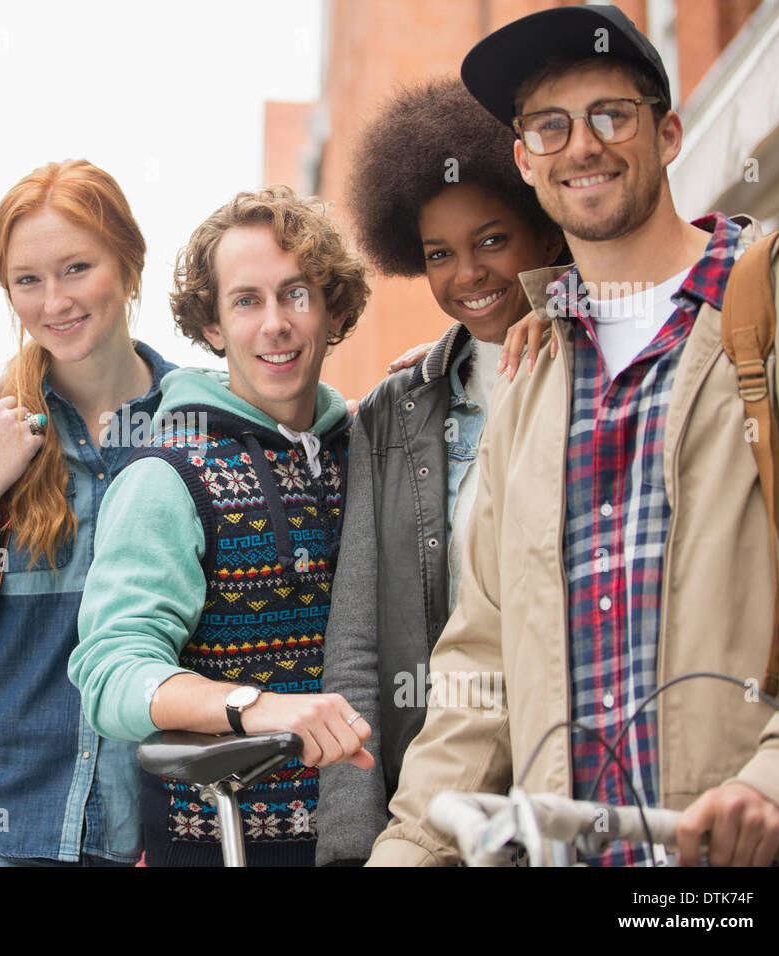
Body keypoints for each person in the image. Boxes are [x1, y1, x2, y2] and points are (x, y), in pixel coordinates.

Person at [370, 4, 779, 867]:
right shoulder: (532, 376)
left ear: (668, 132)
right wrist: (411, 846)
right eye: (551, 126)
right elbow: (479, 666)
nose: (583, 146)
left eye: (612, 114)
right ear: (525, 160)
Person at [0, 159, 177, 866]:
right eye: (28, 280)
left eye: (77, 268)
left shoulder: (194, 423)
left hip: (146, 839)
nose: (54, 302)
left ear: (129, 264)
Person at [69, 186, 374, 867]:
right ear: (212, 326)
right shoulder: (164, 475)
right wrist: (251, 705)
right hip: (219, 846)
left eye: (297, 294)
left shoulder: (371, 447)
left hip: (377, 841)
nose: (275, 324)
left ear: (334, 311)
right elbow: (111, 675)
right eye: (246, 300)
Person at [315, 77, 564, 867]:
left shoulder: (605, 363)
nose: (468, 273)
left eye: (492, 239)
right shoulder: (395, 413)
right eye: (438, 255)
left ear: (543, 228)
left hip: (580, 783)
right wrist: (353, 838)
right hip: (444, 797)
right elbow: (355, 639)